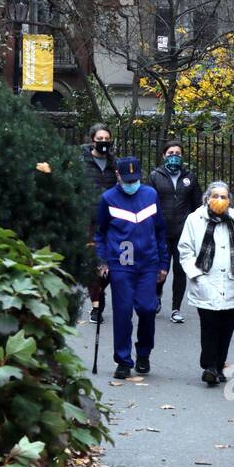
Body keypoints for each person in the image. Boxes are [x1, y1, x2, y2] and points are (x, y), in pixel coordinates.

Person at [93, 156, 169, 379]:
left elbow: (161, 231)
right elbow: (100, 234)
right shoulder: (108, 199)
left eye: (134, 179)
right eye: (127, 179)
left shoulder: (150, 195)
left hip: (148, 263)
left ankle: (143, 353)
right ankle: (123, 360)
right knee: (123, 312)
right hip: (121, 264)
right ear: (118, 175)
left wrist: (164, 263)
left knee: (147, 308)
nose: (131, 183)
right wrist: (102, 260)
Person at [177, 181, 234, 386]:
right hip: (205, 281)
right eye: (215, 196)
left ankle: (219, 365)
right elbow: (185, 250)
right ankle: (209, 366)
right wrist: (196, 274)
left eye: (224, 197)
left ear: (229, 200)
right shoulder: (195, 219)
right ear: (207, 198)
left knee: (226, 327)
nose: (219, 200)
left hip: (231, 281)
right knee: (210, 325)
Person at [147, 138, 201, 323]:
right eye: (170, 153)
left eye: (177, 154)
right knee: (160, 269)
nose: (174, 157)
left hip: (183, 233)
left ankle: (176, 308)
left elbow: (197, 205)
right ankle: (156, 295)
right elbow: (149, 204)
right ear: (164, 155)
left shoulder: (190, 177)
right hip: (161, 232)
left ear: (182, 156)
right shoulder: (155, 176)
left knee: (180, 270)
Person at [81, 123, 117, 324]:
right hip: (88, 219)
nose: (103, 143)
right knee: (94, 262)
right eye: (100, 139)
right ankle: (96, 306)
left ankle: (100, 293)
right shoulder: (82, 161)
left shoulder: (114, 163)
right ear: (92, 140)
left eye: (106, 139)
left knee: (111, 262)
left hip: (111, 220)